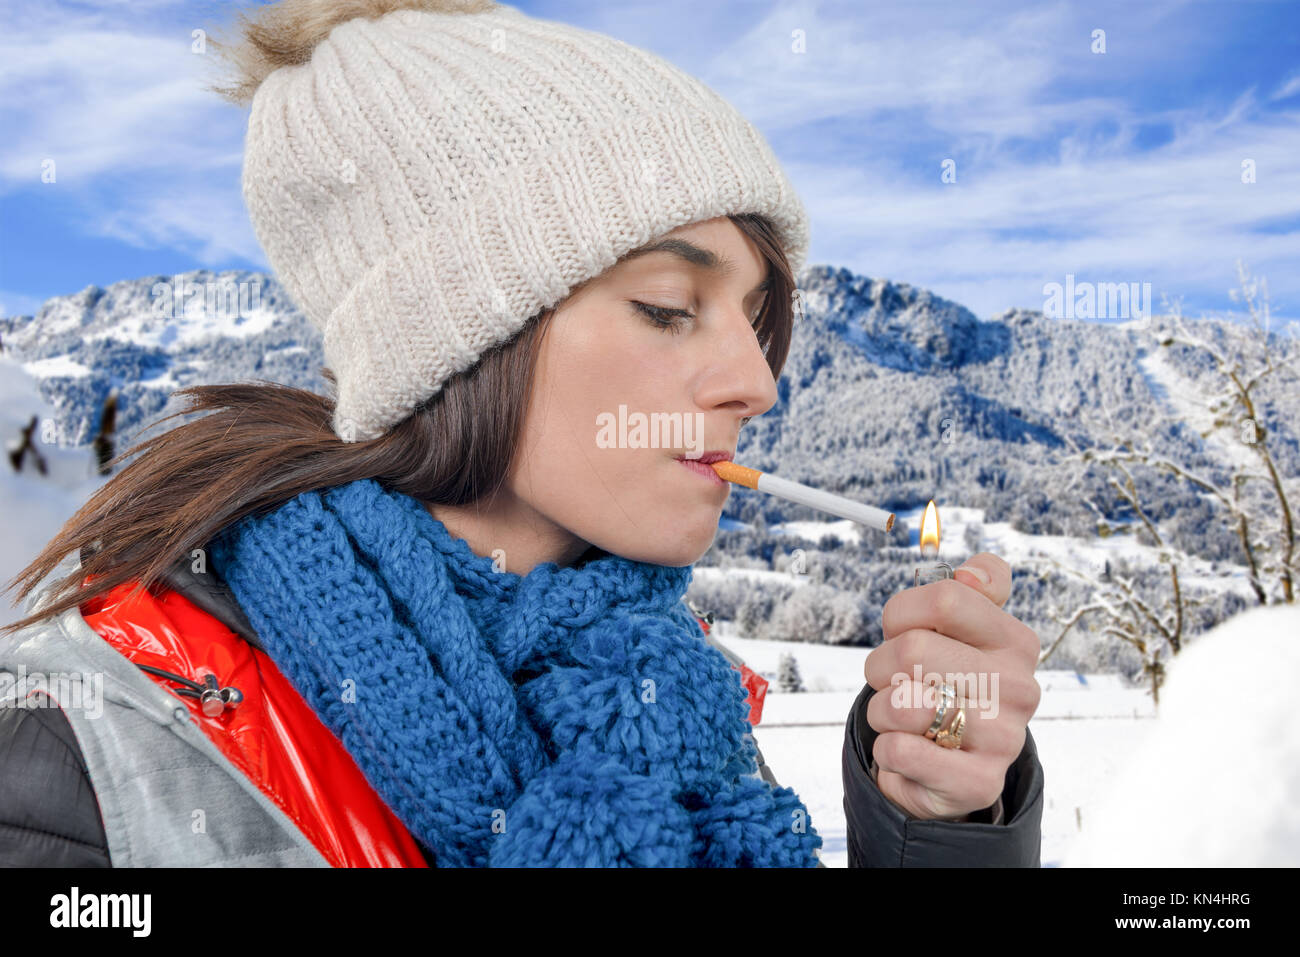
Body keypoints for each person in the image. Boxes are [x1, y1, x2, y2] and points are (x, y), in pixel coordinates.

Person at [0, 0, 1043, 867]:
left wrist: (933, 823)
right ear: (454, 338)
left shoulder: (659, 698)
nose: (754, 384)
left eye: (757, 320)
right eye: (670, 306)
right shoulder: (81, 748)